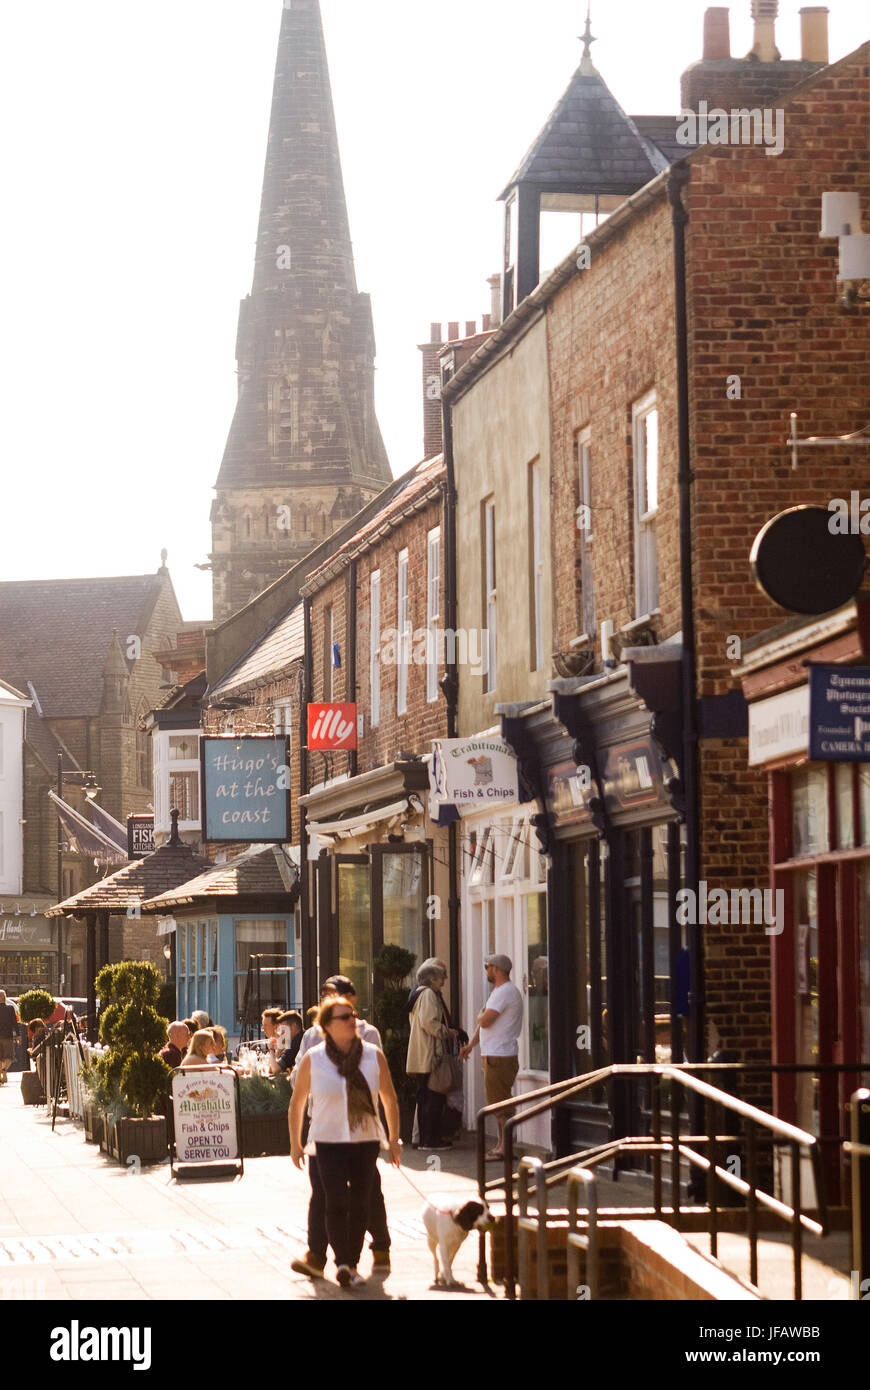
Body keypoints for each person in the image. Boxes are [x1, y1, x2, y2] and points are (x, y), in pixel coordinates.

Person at [289, 996, 402, 1289]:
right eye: (344, 1017)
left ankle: (350, 1264)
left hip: (365, 1140)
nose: (352, 1020)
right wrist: (295, 1144)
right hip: (327, 1141)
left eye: (353, 1015)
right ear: (327, 1025)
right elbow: (298, 1103)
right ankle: (342, 1263)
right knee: (335, 1201)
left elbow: (389, 1098)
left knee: (362, 1202)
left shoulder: (372, 1055)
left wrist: (393, 1138)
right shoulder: (314, 1058)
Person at [460, 954, 524, 1161]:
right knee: (497, 1102)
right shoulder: (499, 992)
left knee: (501, 1103)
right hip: (494, 1054)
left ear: (496, 969)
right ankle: (501, 1145)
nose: (486, 969)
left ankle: (505, 1148)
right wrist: (471, 1045)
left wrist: (480, 1014)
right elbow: (484, 1024)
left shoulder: (506, 992)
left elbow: (485, 1020)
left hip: (500, 1055)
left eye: (487, 966)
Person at [406, 959, 456, 1151]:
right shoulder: (428, 995)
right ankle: (430, 1140)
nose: (443, 982)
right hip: (428, 1054)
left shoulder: (418, 994)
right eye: (441, 978)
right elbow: (429, 1022)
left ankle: (426, 1139)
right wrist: (448, 1032)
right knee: (432, 1098)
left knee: (426, 1097)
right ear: (432, 979)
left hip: (421, 1053)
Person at [0, 991, 17, 1086]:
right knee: (9, 1057)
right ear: (5, 998)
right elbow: (14, 1022)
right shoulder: (10, 1008)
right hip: (8, 1036)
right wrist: (18, 1035)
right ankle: (4, 1070)